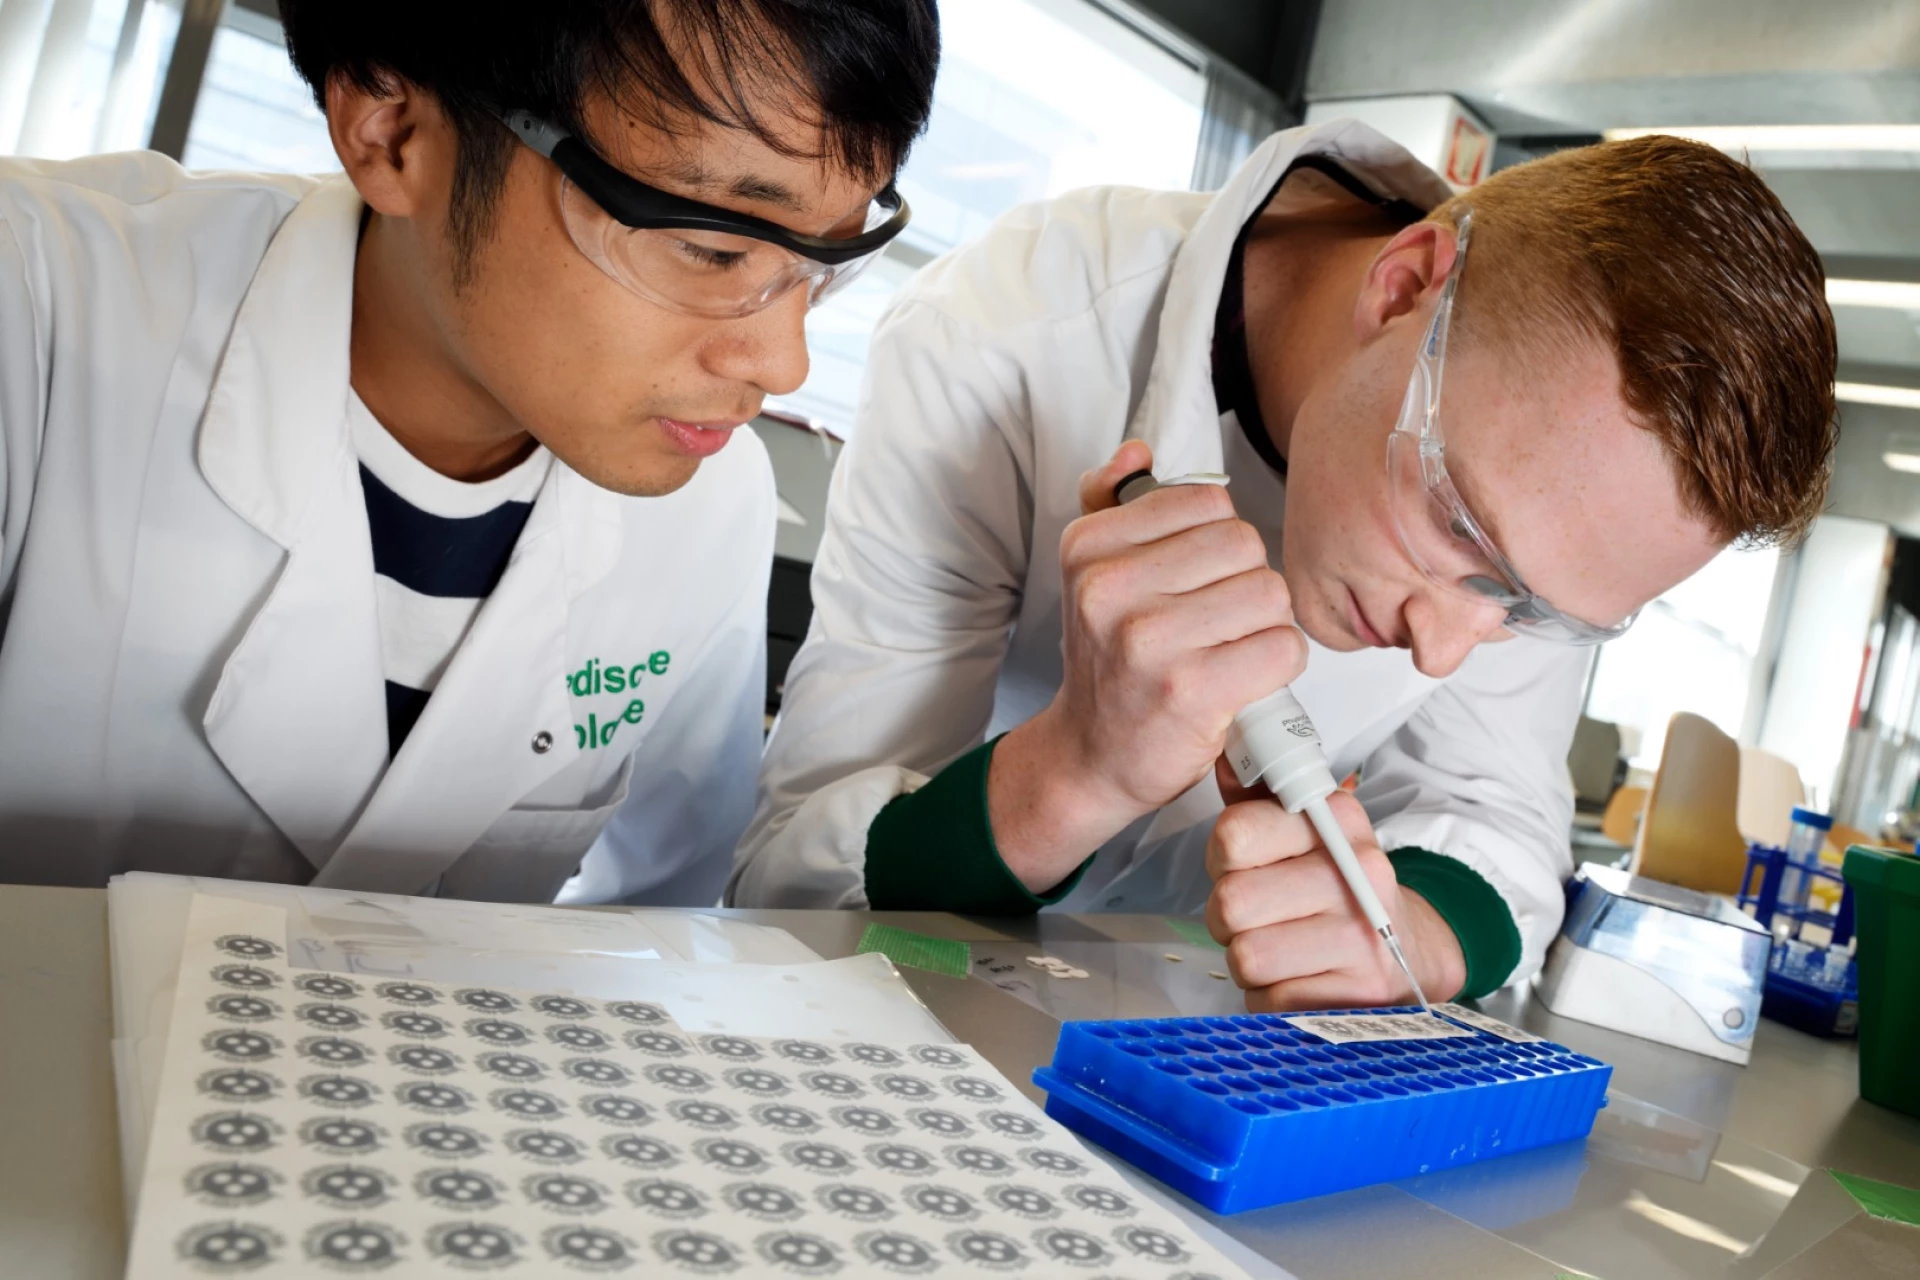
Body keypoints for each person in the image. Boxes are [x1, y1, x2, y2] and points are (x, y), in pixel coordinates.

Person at [733, 121, 1836, 1008]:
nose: (1446, 645)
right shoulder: (1009, 336)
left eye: (1531, 611)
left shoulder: (1551, 479)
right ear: (1403, 291)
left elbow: (1497, 821)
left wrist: (1410, 931)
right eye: (1461, 531)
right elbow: (783, 885)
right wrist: (1079, 767)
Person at [0, 1, 939, 902]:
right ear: (390, 133)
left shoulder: (711, 495)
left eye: (825, 261)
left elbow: (660, 932)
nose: (782, 362)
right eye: (707, 245)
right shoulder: (38, 308)